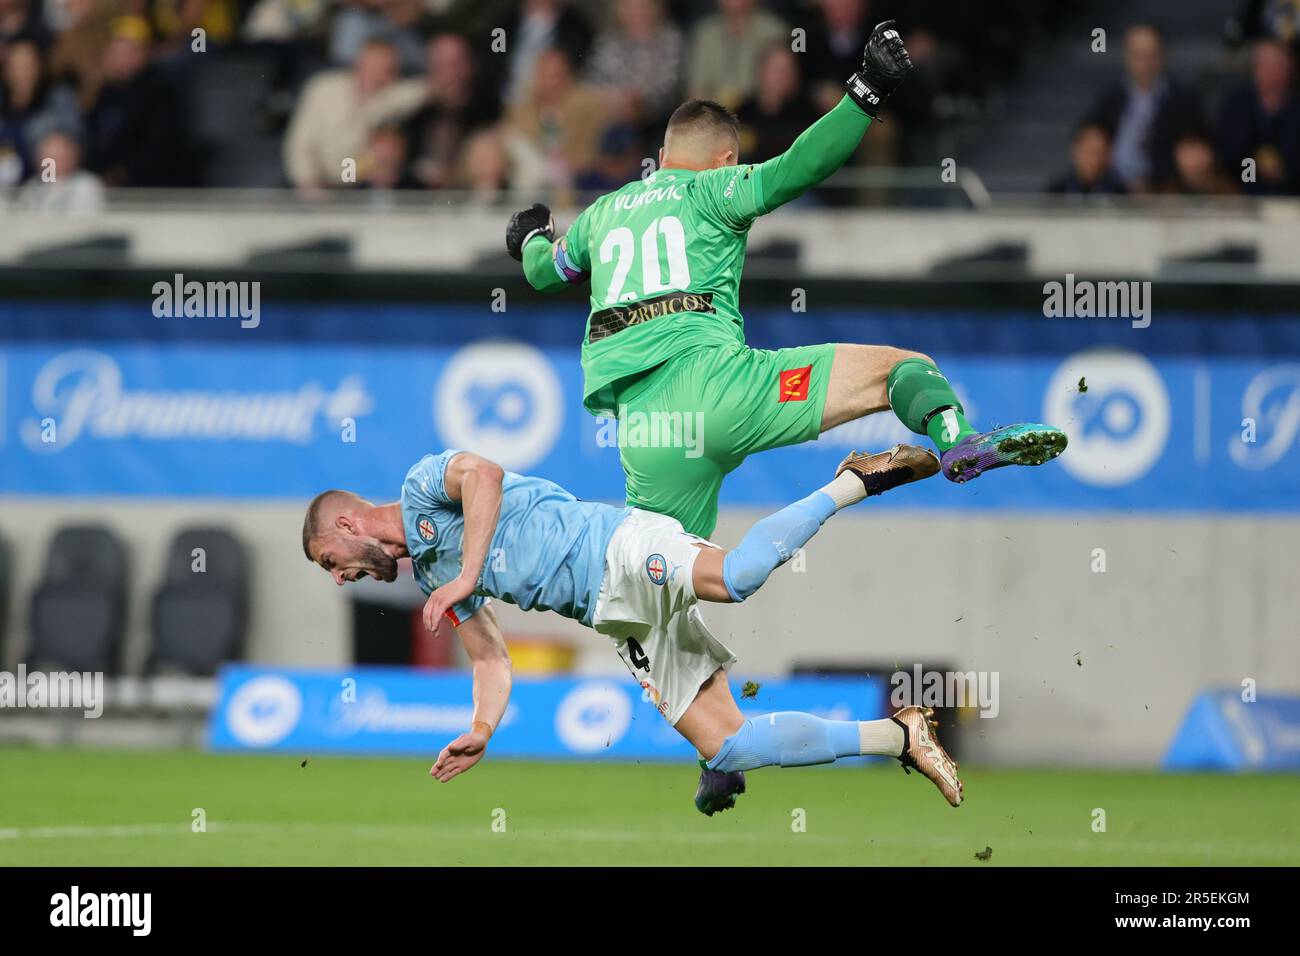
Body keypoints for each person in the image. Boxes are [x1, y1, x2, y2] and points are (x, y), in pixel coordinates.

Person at [506, 20, 1066, 540]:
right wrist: (868, 89)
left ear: (662, 156)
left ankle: (638, 637)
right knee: (903, 369)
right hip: (720, 388)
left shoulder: (603, 213)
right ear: (726, 160)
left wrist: (531, 233)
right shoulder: (713, 190)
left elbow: (543, 272)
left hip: (646, 432)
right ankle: (958, 442)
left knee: (665, 579)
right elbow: (799, 166)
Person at [302, 445, 963, 815]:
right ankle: (897, 735)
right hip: (619, 615)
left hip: (618, 547)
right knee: (729, 748)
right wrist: (480, 731)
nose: (339, 577)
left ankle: (851, 479)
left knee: (737, 577)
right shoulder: (434, 577)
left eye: (332, 562)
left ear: (349, 526)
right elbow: (489, 660)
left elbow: (485, 475)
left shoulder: (421, 485)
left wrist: (469, 573)